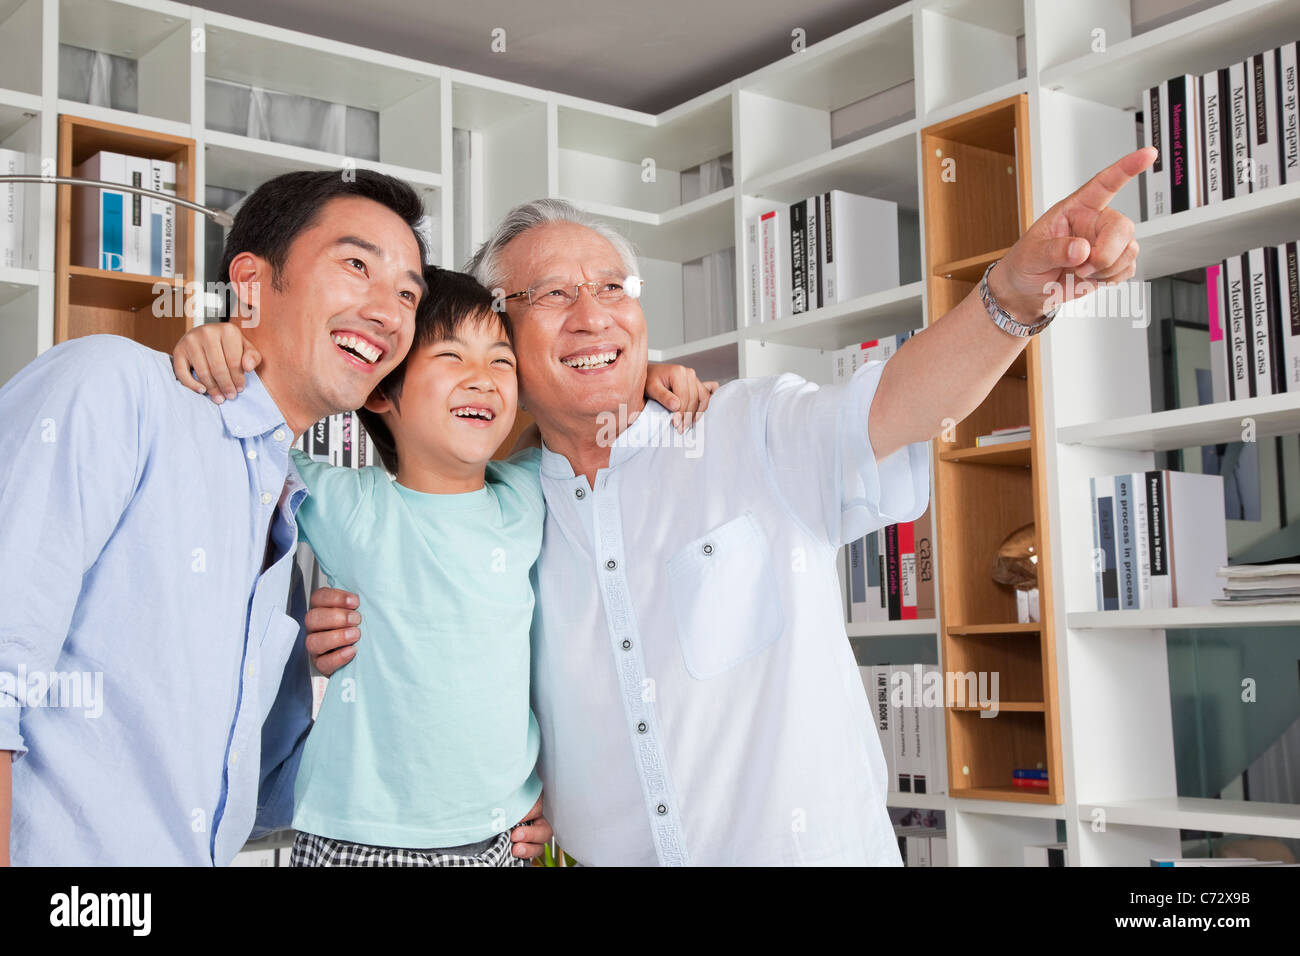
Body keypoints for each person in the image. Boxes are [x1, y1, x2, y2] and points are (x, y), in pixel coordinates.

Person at [303, 148, 1154, 865]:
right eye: (554, 296)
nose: (594, 315)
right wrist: (351, 617)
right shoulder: (507, 513)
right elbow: (454, 655)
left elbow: (896, 402)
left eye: (613, 287)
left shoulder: (749, 428)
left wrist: (1012, 296)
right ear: (504, 345)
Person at [0, 170, 548, 865]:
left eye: (408, 294)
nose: (389, 311)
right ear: (252, 283)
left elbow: (266, 784)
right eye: (357, 265)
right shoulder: (112, 386)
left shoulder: (285, 500)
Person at [170, 268, 715, 866]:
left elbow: (587, 422)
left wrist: (644, 385)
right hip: (359, 839)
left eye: (501, 362)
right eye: (452, 356)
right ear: (382, 390)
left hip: (500, 841)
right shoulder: (351, 504)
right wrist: (214, 351)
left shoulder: (530, 490)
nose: (482, 380)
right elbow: (249, 439)